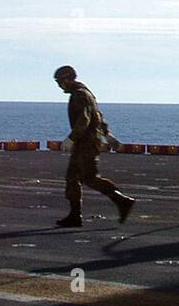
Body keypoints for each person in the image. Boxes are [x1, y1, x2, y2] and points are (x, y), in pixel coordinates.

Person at [53, 66, 135, 228]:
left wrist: (71, 138)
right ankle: (75, 215)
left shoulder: (79, 95)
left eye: (59, 82)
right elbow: (98, 116)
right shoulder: (87, 94)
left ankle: (122, 200)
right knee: (73, 176)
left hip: (86, 143)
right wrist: (108, 135)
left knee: (88, 178)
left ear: (67, 79)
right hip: (89, 141)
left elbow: (84, 119)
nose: (59, 85)